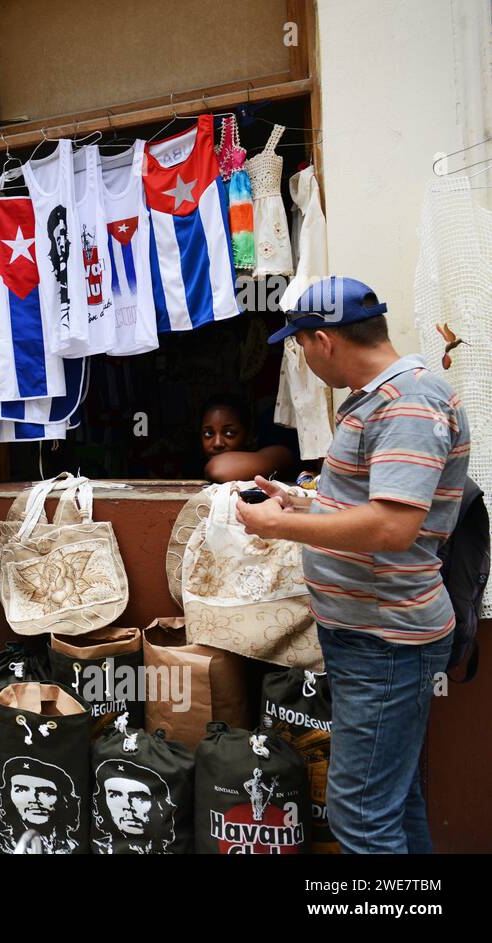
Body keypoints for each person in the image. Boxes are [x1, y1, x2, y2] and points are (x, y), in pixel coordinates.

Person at [235, 276, 469, 853]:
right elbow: (377, 508)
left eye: (300, 344)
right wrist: (304, 503)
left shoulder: (408, 403)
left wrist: (278, 524)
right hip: (371, 635)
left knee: (362, 817)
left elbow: (393, 528)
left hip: (387, 641)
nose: (304, 356)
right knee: (392, 800)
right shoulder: (383, 399)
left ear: (324, 341)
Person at [199, 393, 299, 483]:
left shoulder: (277, 453)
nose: (217, 443)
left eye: (229, 433)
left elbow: (218, 469)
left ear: (249, 436)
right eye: (208, 433)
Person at [0, 756, 80, 853]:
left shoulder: (71, 845)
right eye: (21, 790)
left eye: (46, 791)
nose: (33, 799)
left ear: (64, 799)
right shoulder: (6, 845)